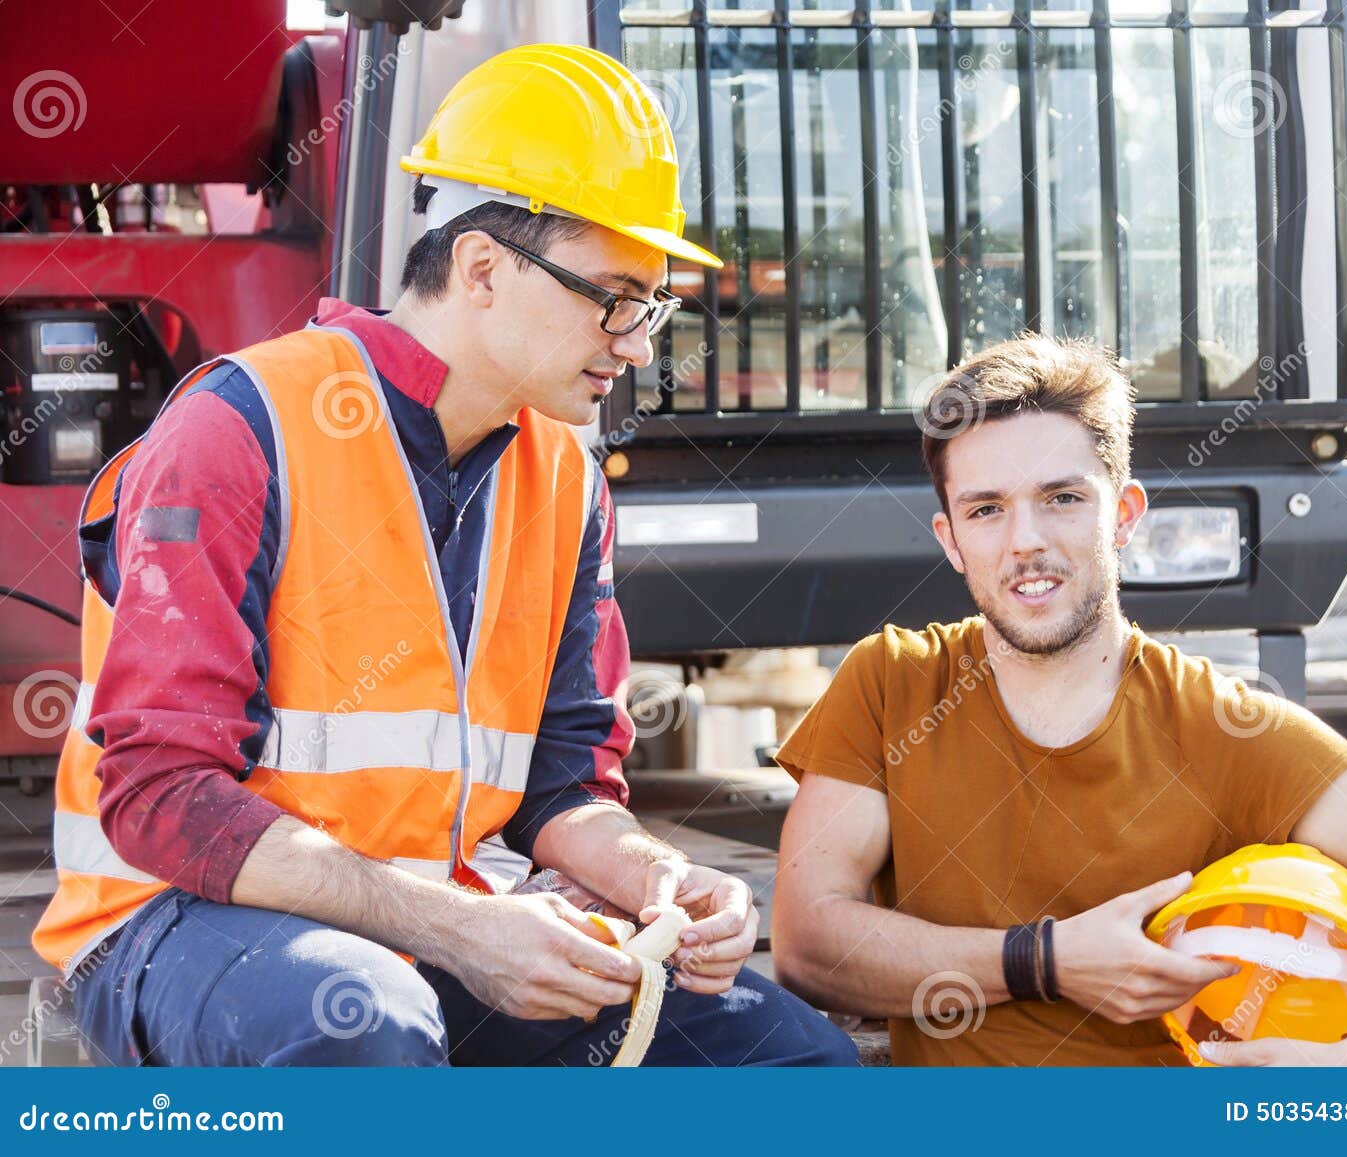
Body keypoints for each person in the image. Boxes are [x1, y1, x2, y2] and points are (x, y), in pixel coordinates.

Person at [34, 44, 855, 1069]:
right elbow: (160, 794)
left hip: (441, 919)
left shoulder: (566, 480)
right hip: (179, 918)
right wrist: (455, 926)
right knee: (362, 1023)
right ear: (481, 269)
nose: (638, 343)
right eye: (615, 298)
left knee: (790, 1061)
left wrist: (654, 874)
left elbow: (564, 783)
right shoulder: (241, 430)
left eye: (652, 306)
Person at [771, 334, 1347, 1066]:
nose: (1025, 540)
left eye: (1062, 497)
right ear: (950, 538)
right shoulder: (891, 684)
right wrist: (1046, 960)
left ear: (1125, 515)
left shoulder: (1222, 726)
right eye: (986, 509)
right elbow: (809, 944)